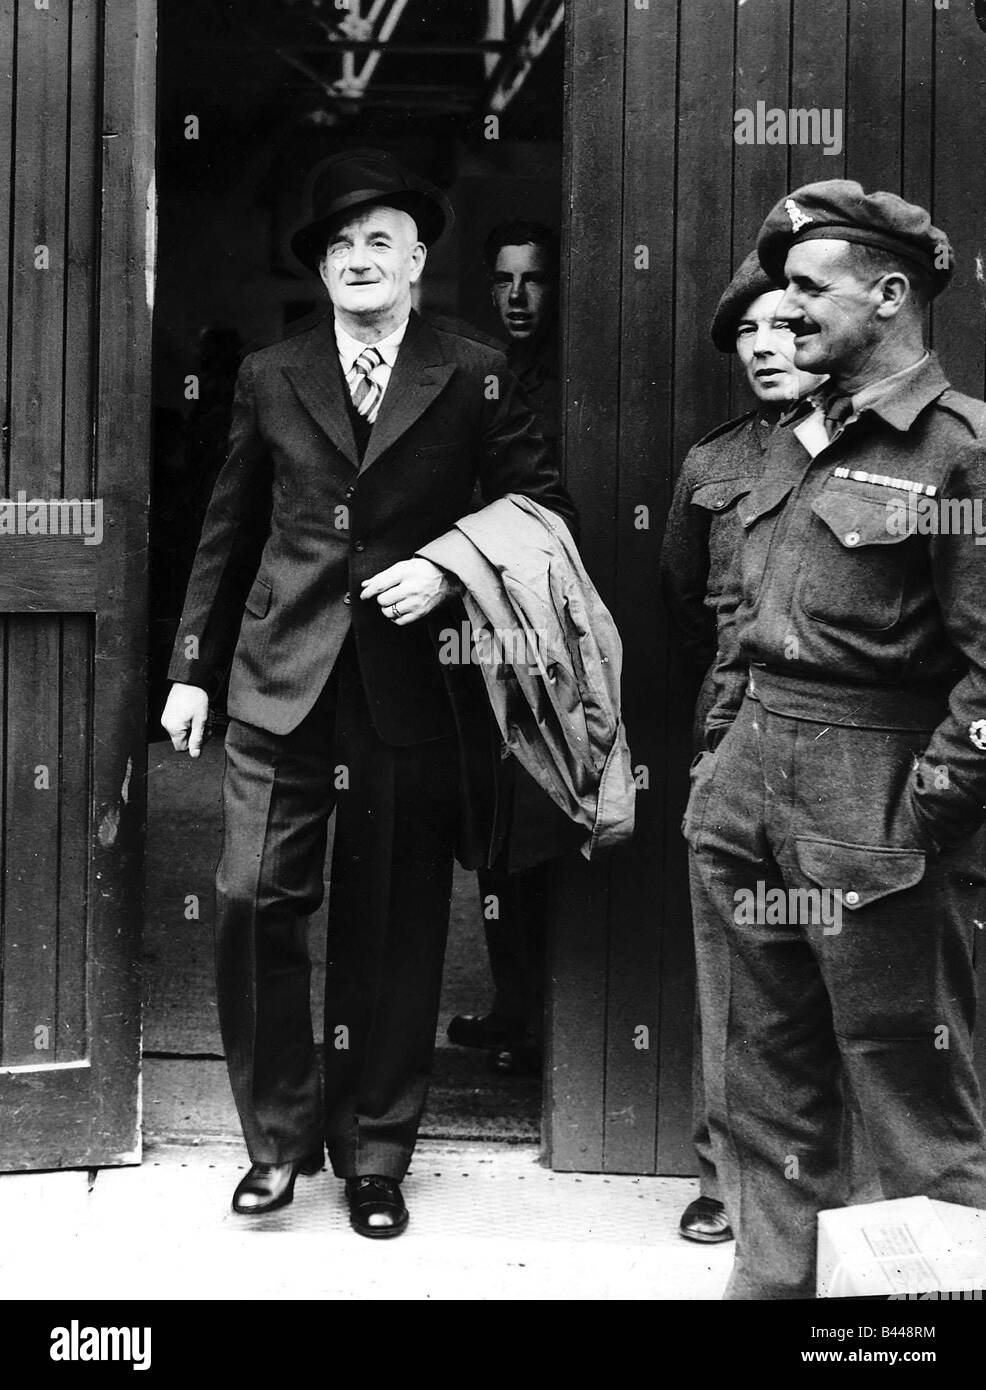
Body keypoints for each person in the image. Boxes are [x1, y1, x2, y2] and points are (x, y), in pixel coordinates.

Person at [161, 149, 576, 1239]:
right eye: (339, 245)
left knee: (391, 925)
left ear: (416, 261)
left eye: (378, 242)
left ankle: (376, 1151)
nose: (357, 259)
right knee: (253, 898)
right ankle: (277, 1140)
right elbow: (225, 529)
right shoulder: (270, 371)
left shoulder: (473, 369)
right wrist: (189, 670)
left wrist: (445, 565)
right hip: (277, 677)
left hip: (409, 690)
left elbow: (541, 506)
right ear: (323, 264)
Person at [686, 179, 986, 1298]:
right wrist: (721, 763)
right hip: (746, 793)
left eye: (809, 289)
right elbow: (739, 621)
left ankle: (914, 1323)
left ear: (890, 293)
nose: (789, 309)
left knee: (909, 1090)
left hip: (871, 806)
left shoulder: (959, 452)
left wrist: (925, 811)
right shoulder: (789, 441)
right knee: (762, 1087)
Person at [661, 251, 826, 1243]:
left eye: (785, 328)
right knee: (732, 978)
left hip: (851, 750)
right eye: (748, 335)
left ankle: (825, 1177)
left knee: (843, 967)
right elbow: (683, 609)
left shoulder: (877, 452)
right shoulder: (710, 465)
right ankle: (726, 1180)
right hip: (732, 744)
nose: (766, 349)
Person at [446, 220, 574, 1075]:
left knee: (551, 822)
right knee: (492, 824)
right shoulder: (474, 377)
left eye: (533, 279)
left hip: (558, 623)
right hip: (479, 623)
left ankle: (554, 1021)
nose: (518, 295)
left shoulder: (574, 380)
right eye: (503, 280)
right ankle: (513, 1005)